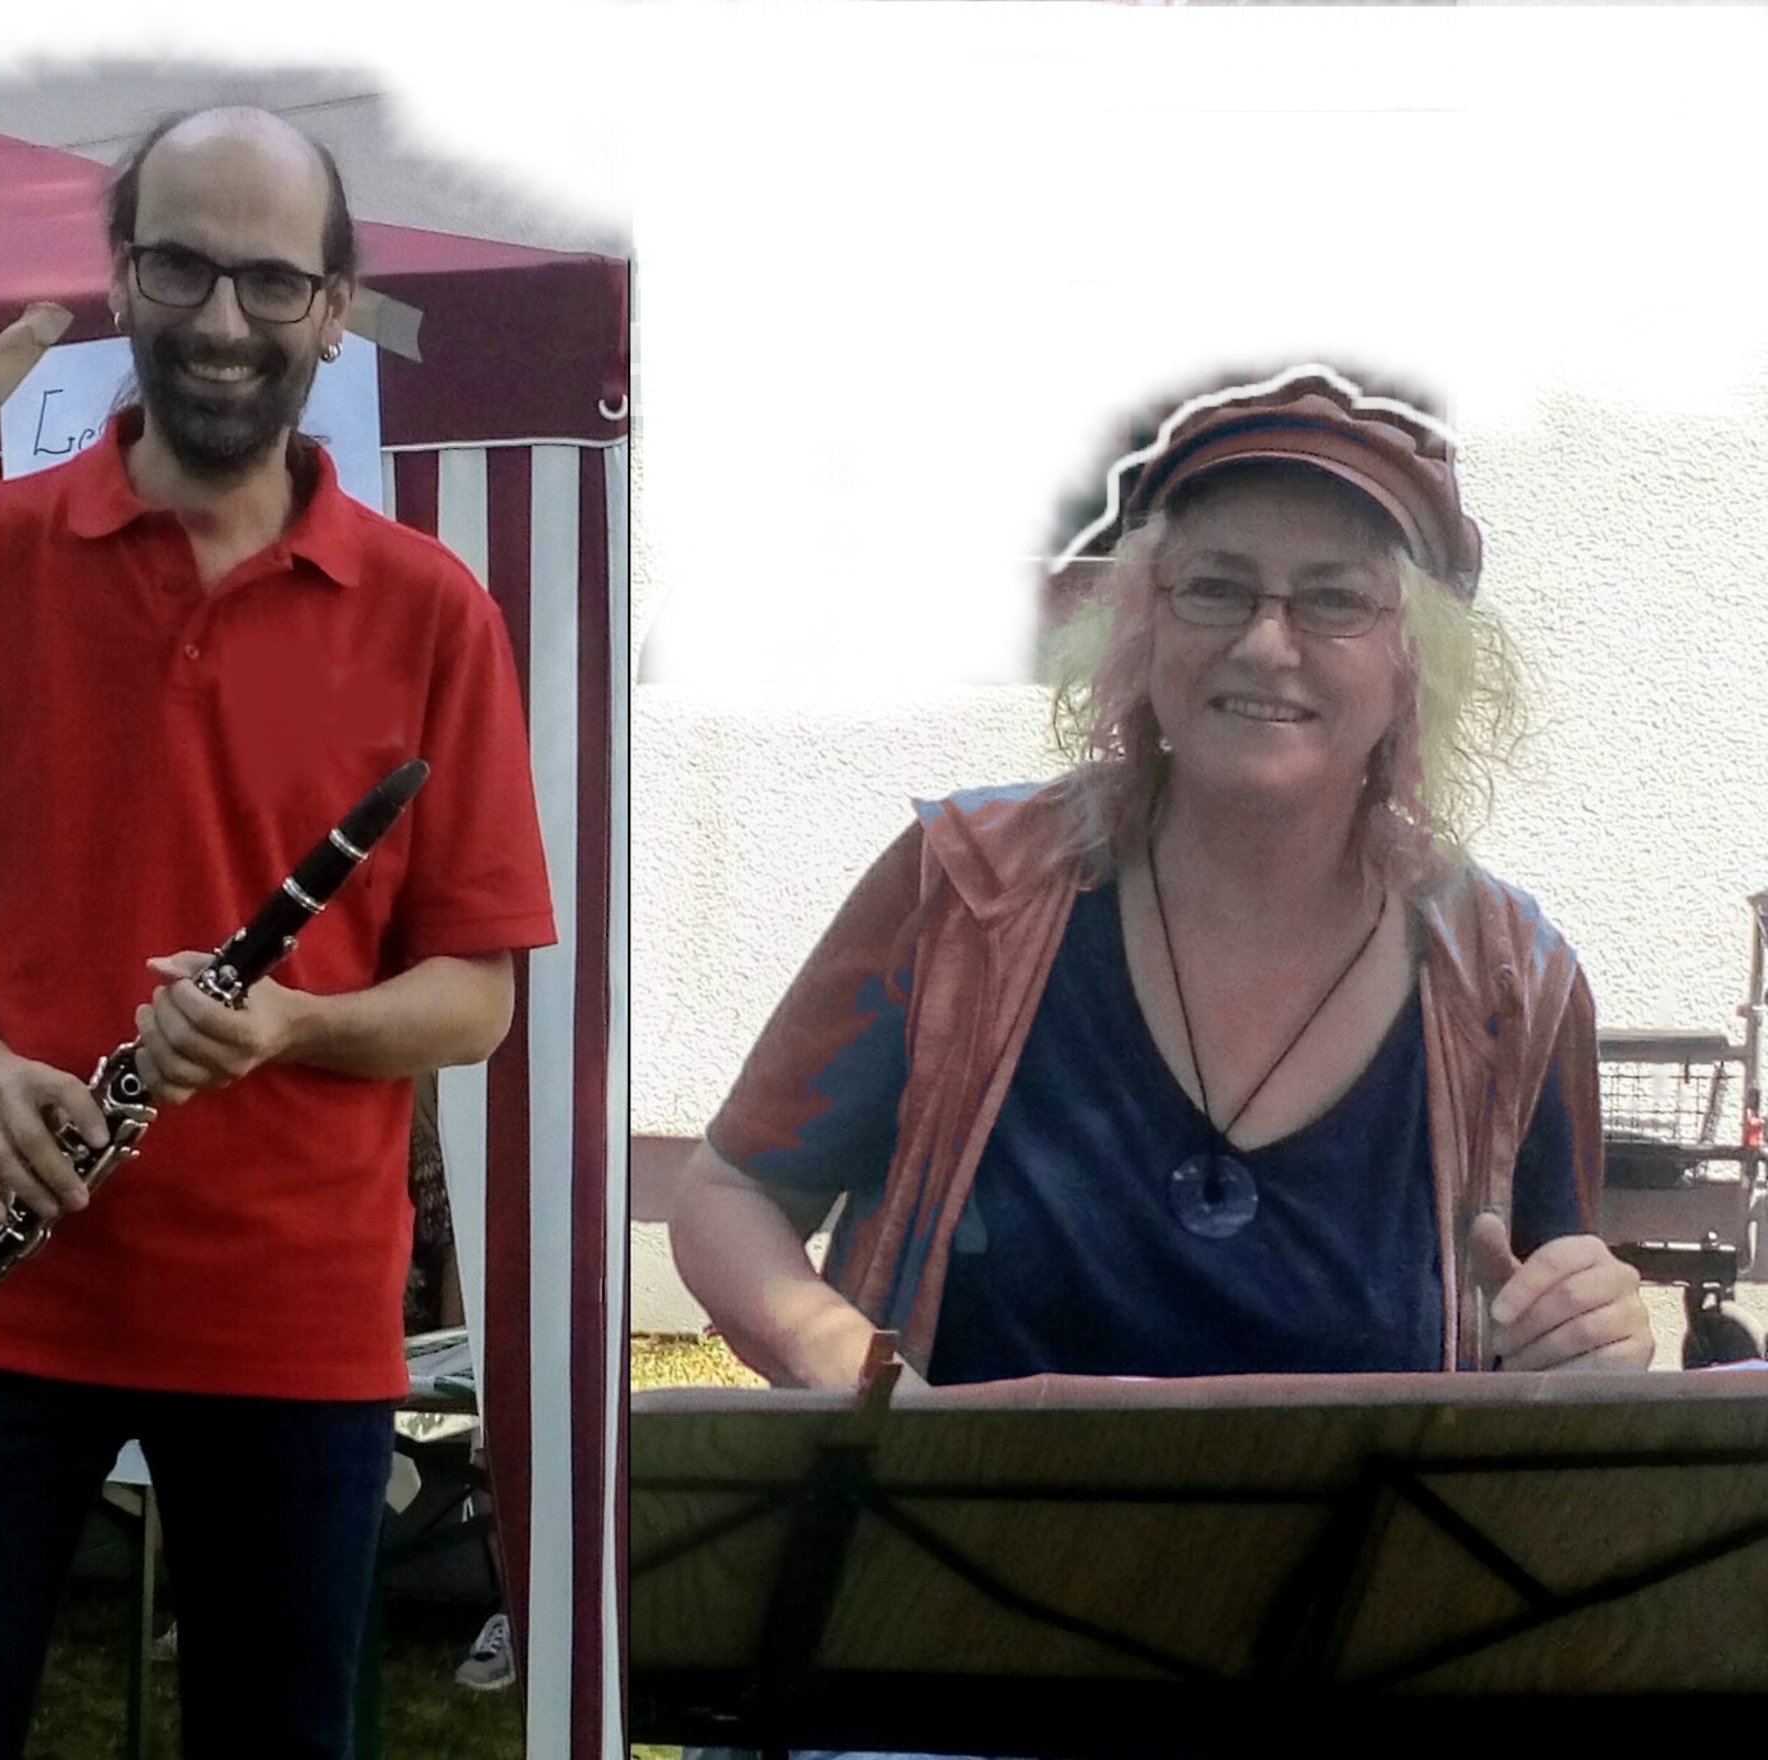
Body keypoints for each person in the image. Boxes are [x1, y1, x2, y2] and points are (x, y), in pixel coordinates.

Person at [667, 367, 1652, 1760]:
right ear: (1138, 628)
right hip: (937, 1676)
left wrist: (1589, 1337)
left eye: (1332, 599)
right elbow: (728, 1193)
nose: (1266, 641)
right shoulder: (963, 891)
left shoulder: (1513, 979)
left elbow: (1545, 1343)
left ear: (1414, 662)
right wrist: (867, 1386)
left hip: (1331, 1685)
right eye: (1214, 588)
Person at [0, 107, 554, 1760]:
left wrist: (295, 1022)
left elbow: (474, 999)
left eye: (271, 282)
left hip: (289, 1311)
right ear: (122, 278)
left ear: (333, 308)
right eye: (181, 267)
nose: (221, 321)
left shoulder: (433, 610)